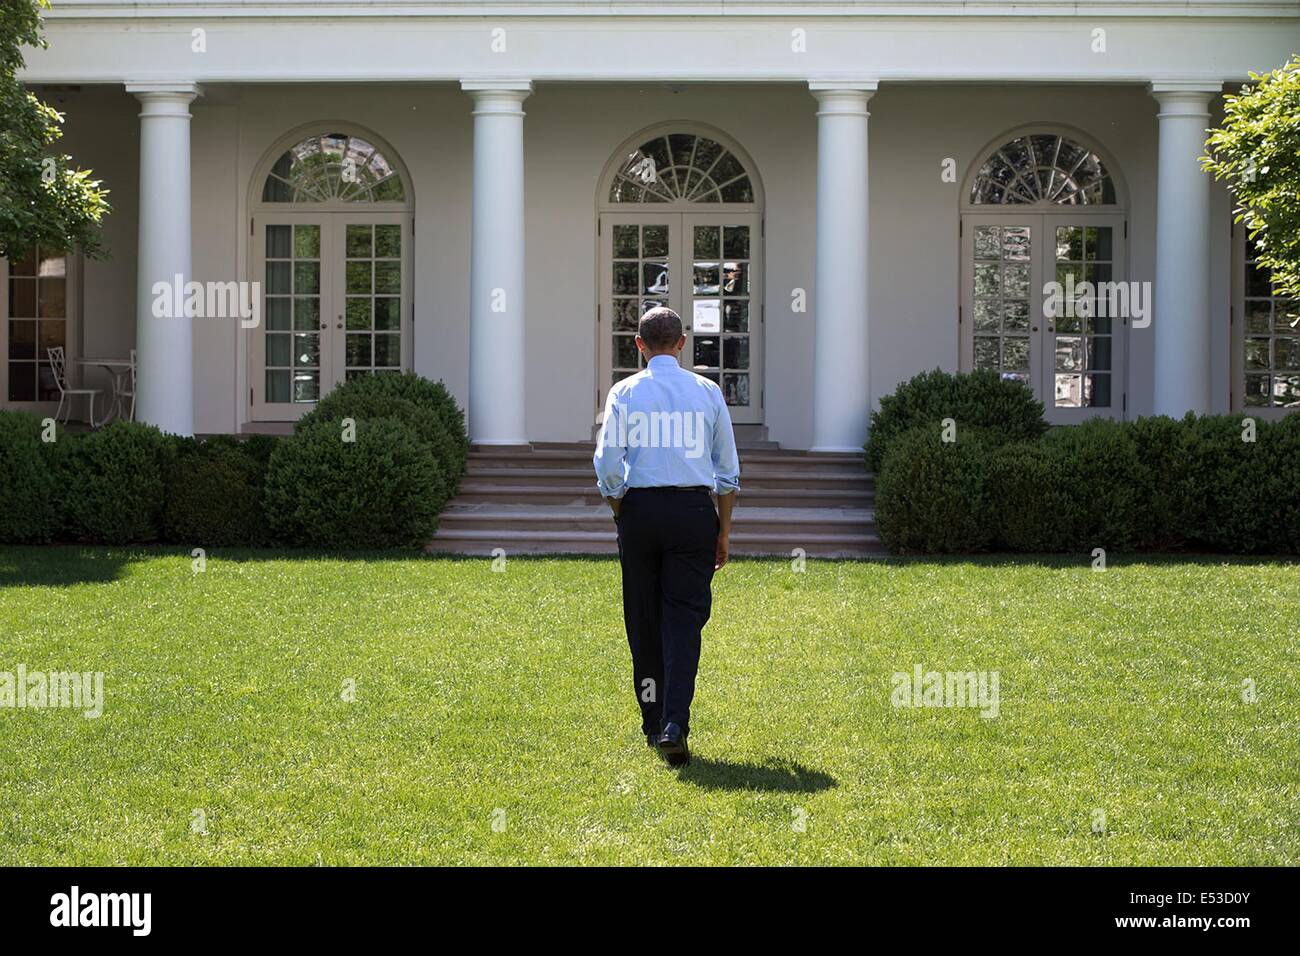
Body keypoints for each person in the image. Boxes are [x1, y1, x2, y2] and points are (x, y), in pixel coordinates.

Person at [592, 307, 740, 767]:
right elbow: (727, 474)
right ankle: (675, 721)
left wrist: (620, 507)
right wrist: (724, 533)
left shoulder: (624, 392)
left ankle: (652, 720)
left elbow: (606, 463)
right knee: (684, 620)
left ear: (639, 345)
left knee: (642, 619)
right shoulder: (708, 391)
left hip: (640, 511)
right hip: (694, 512)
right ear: (681, 343)